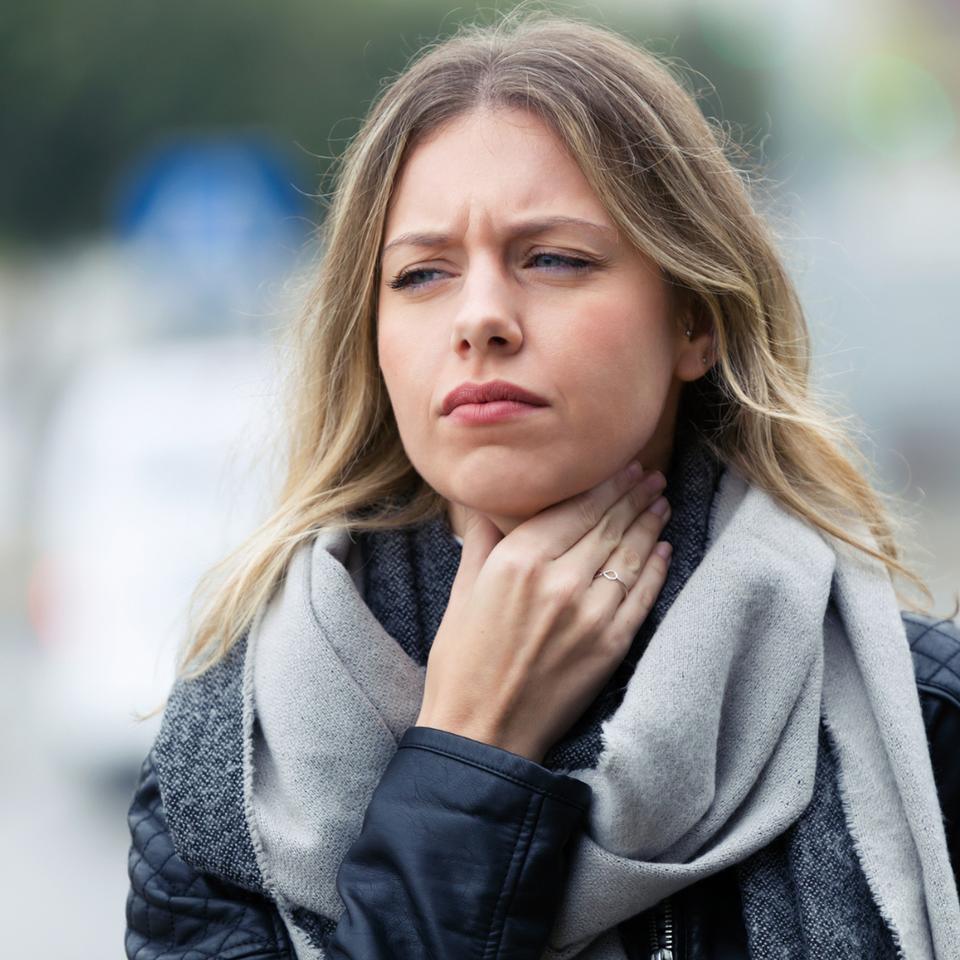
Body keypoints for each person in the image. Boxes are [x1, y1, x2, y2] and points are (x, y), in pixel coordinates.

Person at [124, 11, 960, 960]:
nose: (481, 317)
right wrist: (470, 752)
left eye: (554, 258)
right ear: (373, 339)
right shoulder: (230, 760)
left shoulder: (918, 720)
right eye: (423, 274)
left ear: (695, 322)